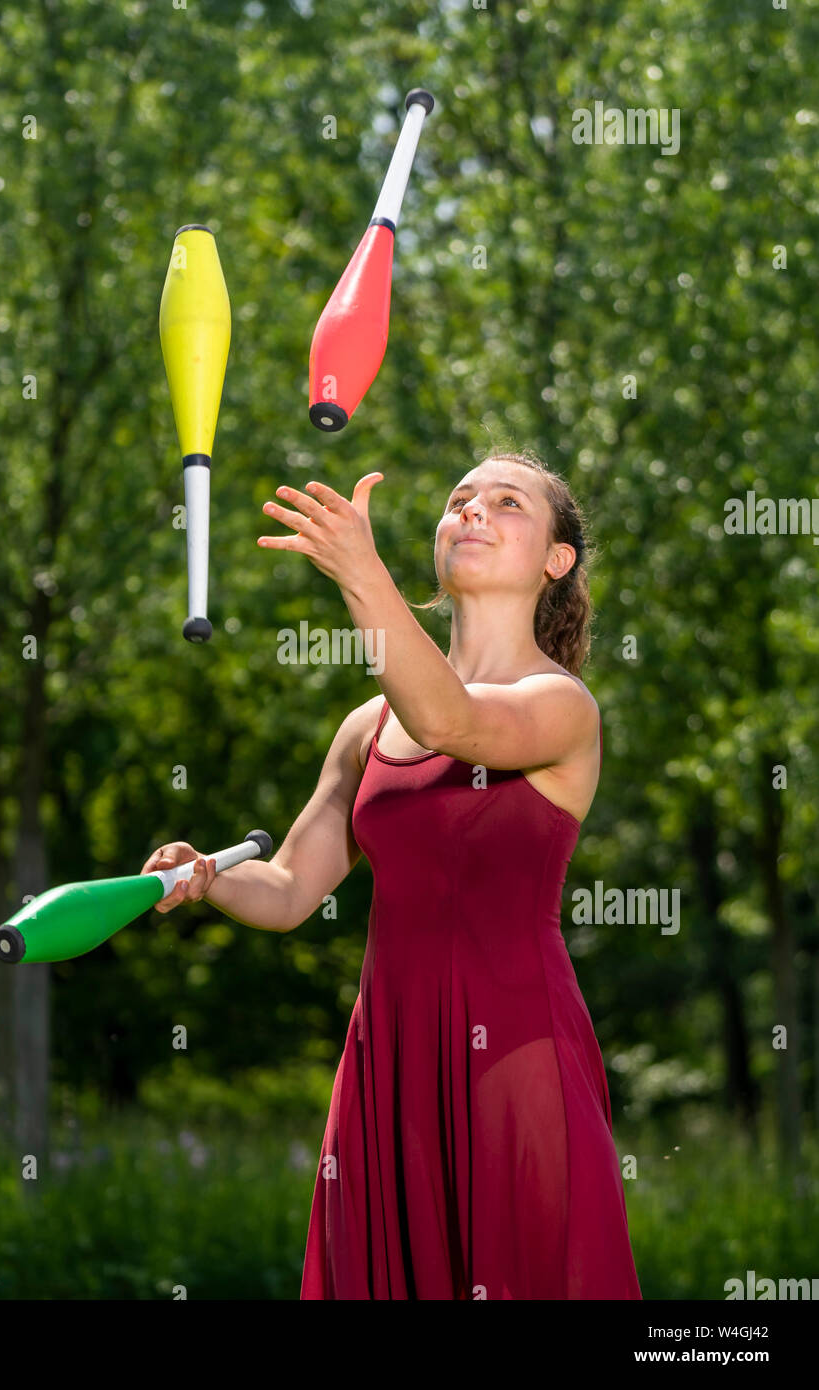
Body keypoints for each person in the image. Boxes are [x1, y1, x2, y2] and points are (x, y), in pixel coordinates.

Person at [141, 447, 642, 1300]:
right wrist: (210, 876)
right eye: (459, 500)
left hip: (511, 1061)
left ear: (556, 562)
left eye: (508, 503)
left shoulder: (559, 705)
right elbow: (294, 886)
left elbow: (448, 718)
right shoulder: (366, 727)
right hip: (386, 1068)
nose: (473, 511)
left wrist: (357, 574)